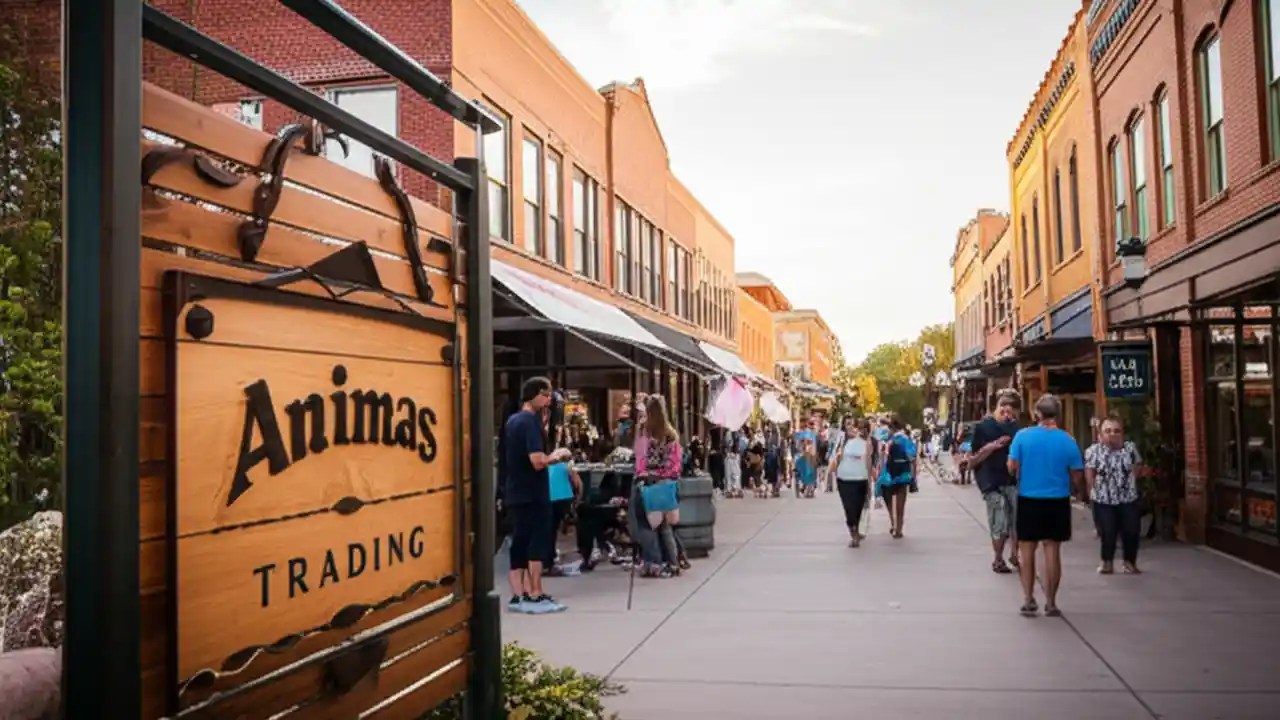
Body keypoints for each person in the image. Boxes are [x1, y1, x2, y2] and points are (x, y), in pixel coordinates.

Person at [1008, 394, 1084, 618]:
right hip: (1057, 499)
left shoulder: (1022, 437)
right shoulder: (1068, 440)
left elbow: (1012, 467)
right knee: (1052, 550)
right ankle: (1051, 602)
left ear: (1036, 414)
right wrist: (1077, 491)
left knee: (1027, 550)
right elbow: (1077, 474)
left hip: (1029, 498)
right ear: (1058, 415)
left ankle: (1028, 599)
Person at [504, 377, 571, 614]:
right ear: (533, 394)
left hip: (516, 491)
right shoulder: (529, 422)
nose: (548, 400)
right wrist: (558, 455)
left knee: (519, 543)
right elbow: (537, 460)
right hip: (534, 493)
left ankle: (517, 594)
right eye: (546, 395)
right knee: (536, 543)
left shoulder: (512, 421)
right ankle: (535, 593)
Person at [631, 395, 685, 578]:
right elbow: (676, 465)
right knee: (665, 526)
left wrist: (642, 474)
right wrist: (667, 475)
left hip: (648, 484)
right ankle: (673, 562)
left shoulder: (643, 431)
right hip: (667, 485)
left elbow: (640, 457)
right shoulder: (671, 434)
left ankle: (653, 562)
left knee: (646, 525)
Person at [969, 391, 1022, 574]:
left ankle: (1015, 554)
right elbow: (971, 460)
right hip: (990, 479)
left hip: (1011, 479)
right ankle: (998, 558)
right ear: (997, 407)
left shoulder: (1017, 429)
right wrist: (992, 447)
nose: (1007, 416)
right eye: (1003, 411)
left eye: (1011, 412)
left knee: (1016, 518)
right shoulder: (983, 428)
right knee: (999, 518)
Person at [1085, 415, 1144, 575]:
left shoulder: (1130, 448)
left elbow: (1137, 468)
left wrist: (1130, 482)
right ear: (1100, 434)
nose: (1112, 434)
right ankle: (1106, 562)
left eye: (1116, 431)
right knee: (1108, 531)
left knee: (1131, 530)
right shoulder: (1094, 451)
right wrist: (1091, 493)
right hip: (1104, 498)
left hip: (1127, 497)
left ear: (1122, 433)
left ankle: (1129, 562)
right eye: (1108, 431)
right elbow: (1090, 473)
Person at [831, 417, 874, 547]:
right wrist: (832, 471)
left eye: (855, 427)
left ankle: (855, 529)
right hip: (844, 478)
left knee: (858, 507)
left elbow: (868, 462)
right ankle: (853, 533)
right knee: (849, 508)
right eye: (849, 425)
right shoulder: (843, 441)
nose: (853, 429)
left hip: (860, 478)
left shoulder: (867, 443)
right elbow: (836, 458)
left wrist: (869, 480)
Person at [875, 414, 917, 538]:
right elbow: (912, 456)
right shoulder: (905, 439)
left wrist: (878, 469)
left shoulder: (887, 439)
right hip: (903, 473)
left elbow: (881, 456)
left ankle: (894, 523)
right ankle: (898, 528)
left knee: (888, 498)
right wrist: (913, 475)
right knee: (900, 502)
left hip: (888, 473)